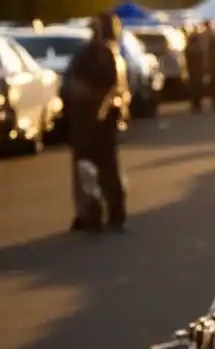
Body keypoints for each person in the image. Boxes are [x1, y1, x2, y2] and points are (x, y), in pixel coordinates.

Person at [63, 12, 129, 233]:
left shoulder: (100, 53)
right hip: (95, 121)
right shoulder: (105, 53)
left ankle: (96, 213)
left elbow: (108, 88)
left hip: (92, 121)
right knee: (103, 169)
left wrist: (96, 109)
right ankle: (106, 212)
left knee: (92, 169)